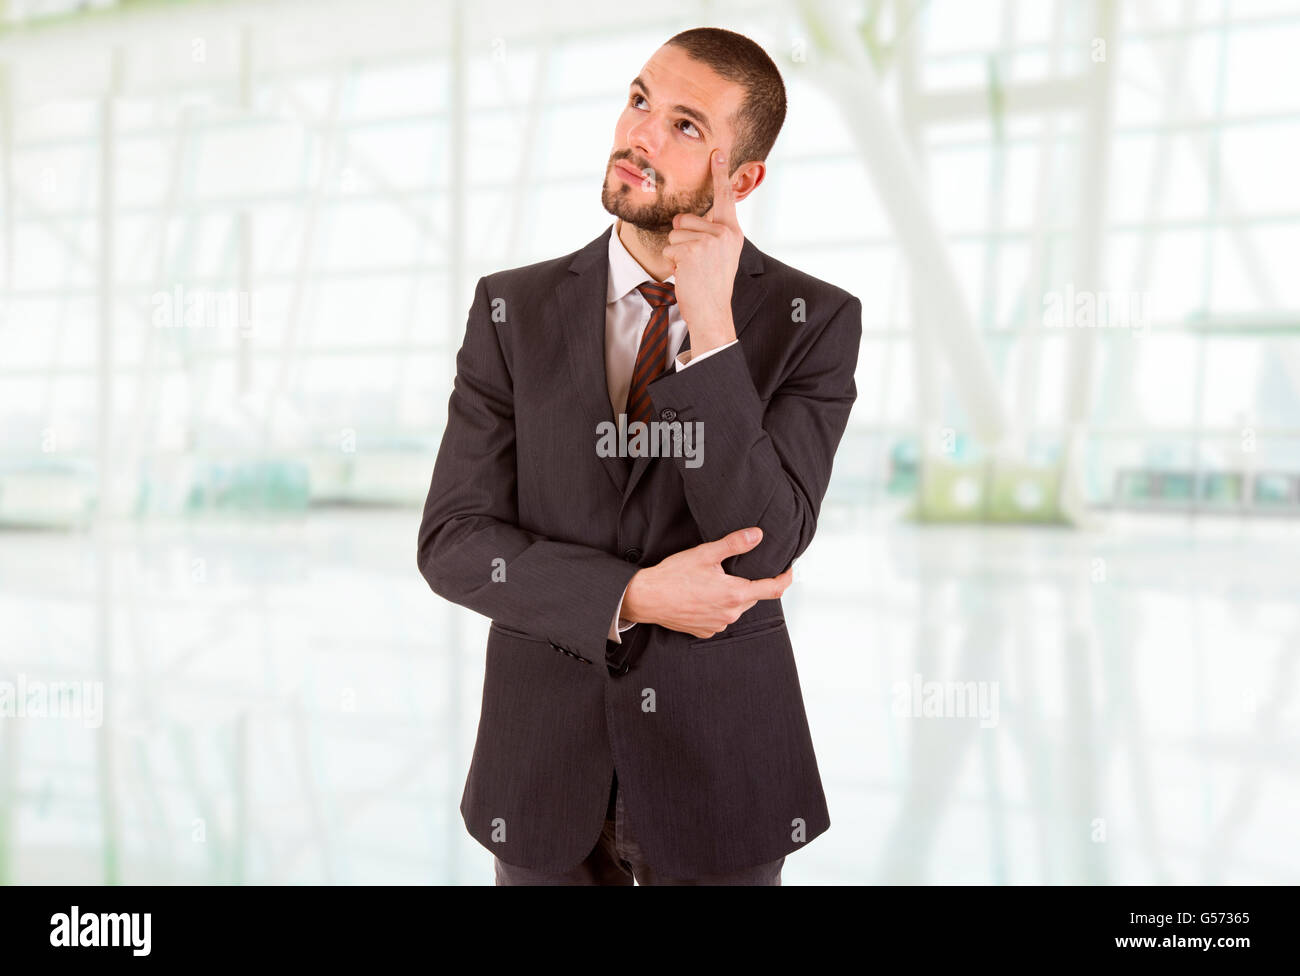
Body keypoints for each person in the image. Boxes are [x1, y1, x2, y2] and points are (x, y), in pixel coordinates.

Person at [417, 26, 862, 885]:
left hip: (722, 775)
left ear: (743, 180)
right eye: (638, 100)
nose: (641, 135)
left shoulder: (815, 322)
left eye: (686, 126)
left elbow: (764, 546)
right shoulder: (513, 309)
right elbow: (455, 542)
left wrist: (717, 337)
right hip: (541, 773)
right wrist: (632, 596)